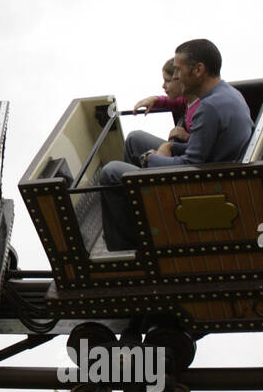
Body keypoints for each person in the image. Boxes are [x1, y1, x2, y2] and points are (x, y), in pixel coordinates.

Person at [96, 39, 253, 251]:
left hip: (205, 189)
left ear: (198, 70)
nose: (176, 76)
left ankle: (126, 247)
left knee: (111, 172)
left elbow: (190, 166)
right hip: (219, 169)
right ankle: (136, 212)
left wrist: (150, 158)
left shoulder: (209, 108)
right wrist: (171, 148)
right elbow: (203, 149)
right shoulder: (228, 94)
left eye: (178, 70)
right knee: (135, 140)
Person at [126, 57, 201, 165]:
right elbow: (176, 102)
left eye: (167, 81)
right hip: (181, 150)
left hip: (185, 158)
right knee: (133, 138)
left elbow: (203, 147)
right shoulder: (190, 100)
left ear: (180, 79)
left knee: (110, 170)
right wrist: (156, 99)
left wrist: (186, 137)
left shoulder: (201, 109)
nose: (163, 85)